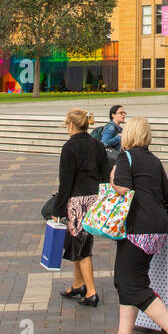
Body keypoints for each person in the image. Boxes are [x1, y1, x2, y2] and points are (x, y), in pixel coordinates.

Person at [104, 116, 168, 334]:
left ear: (129, 134)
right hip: (158, 227)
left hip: (137, 227)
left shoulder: (126, 157)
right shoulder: (154, 161)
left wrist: (113, 179)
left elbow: (122, 188)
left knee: (133, 285)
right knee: (125, 280)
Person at [52, 109, 109, 306]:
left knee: (82, 246)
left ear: (70, 125)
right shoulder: (97, 144)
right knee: (78, 242)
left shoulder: (69, 147)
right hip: (94, 198)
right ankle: (78, 284)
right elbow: (106, 173)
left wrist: (57, 210)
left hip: (77, 201)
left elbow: (65, 183)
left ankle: (91, 292)